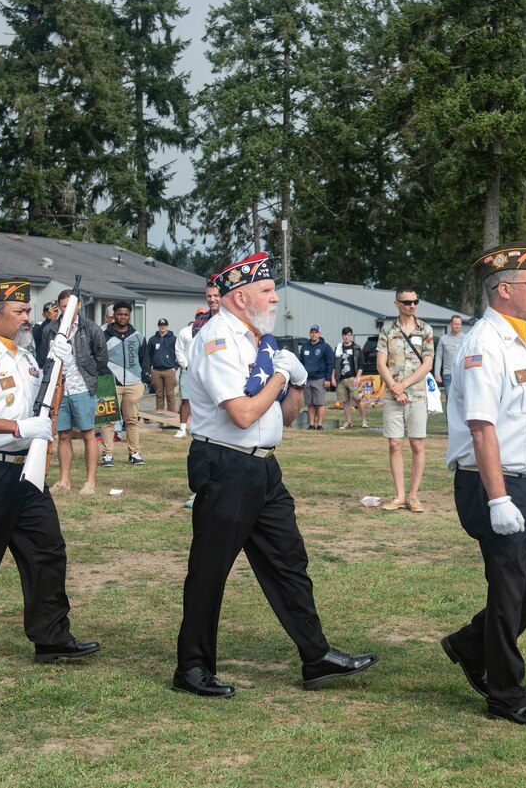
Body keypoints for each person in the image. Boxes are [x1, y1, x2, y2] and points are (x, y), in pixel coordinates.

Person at [174, 251, 377, 697]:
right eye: (266, 291)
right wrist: (279, 374)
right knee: (210, 569)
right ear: (239, 296)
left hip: (263, 466)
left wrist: (297, 384)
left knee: (289, 562)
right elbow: (243, 413)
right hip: (226, 464)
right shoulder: (218, 340)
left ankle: (315, 655)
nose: (273, 299)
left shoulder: (259, 341)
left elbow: (284, 417)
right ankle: (191, 667)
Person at [0, 279, 100, 672]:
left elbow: (46, 407)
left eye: (28, 311)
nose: (28, 317)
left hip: (23, 474)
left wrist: (59, 368)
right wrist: (16, 429)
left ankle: (51, 637)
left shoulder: (24, 357)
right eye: (20, 311)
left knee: (47, 551)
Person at [441, 241, 526, 728]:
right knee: (509, 588)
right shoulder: (484, 343)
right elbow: (482, 427)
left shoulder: (521, 339)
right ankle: (505, 693)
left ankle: (473, 645)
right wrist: (498, 498)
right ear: (504, 291)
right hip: (494, 485)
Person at [42, 289, 109, 496]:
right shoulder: (50, 329)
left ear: (78, 305)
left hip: (82, 386)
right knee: (62, 434)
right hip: (60, 388)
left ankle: (90, 482)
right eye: (62, 307)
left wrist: (82, 368)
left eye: (69, 306)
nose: (66, 311)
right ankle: (64, 480)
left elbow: (102, 359)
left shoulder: (91, 328)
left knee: (88, 433)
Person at [375, 288, 434, 512]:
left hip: (416, 394)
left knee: (417, 444)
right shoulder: (387, 329)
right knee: (394, 443)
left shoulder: (425, 329)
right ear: (396, 303)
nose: (412, 305)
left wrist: (404, 385)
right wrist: (395, 388)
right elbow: (381, 363)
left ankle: (413, 495)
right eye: (407, 302)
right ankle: (399, 495)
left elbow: (427, 365)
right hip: (393, 395)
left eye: (415, 301)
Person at [100, 301, 150, 467]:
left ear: (130, 316)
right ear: (113, 315)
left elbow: (145, 360)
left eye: (126, 314)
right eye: (119, 314)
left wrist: (144, 381)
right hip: (108, 382)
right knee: (108, 421)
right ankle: (107, 455)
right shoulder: (102, 334)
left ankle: (134, 453)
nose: (123, 317)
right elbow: (96, 357)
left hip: (133, 384)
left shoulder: (138, 336)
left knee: (132, 420)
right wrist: (101, 377)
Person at [175, 279, 220, 439]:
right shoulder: (199, 323)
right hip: (200, 371)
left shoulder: (229, 317)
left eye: (216, 295)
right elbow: (196, 349)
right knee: (196, 404)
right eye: (209, 296)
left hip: (222, 372)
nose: (212, 299)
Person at [298, 325, 334, 429]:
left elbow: (330, 364)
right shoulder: (305, 347)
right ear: (310, 333)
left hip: (320, 378)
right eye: (312, 332)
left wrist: (328, 379)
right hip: (308, 379)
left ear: (319, 334)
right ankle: (311, 424)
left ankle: (320, 424)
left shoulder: (325, 347)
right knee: (310, 403)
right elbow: (300, 363)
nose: (314, 334)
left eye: (316, 332)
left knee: (319, 403)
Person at [334, 326, 367, 429]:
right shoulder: (338, 348)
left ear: (351, 336)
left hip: (352, 378)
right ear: (342, 336)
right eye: (345, 335)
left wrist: (357, 378)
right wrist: (333, 377)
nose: (347, 337)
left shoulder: (356, 348)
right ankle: (349, 421)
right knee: (345, 401)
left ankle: (364, 421)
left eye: (348, 335)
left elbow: (361, 365)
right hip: (341, 378)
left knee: (357, 399)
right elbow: (334, 364)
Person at [149, 319, 180, 413]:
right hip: (156, 370)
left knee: (170, 394)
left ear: (167, 326)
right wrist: (150, 368)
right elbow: (148, 354)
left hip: (169, 370)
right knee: (159, 394)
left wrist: (175, 367)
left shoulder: (173, 339)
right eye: (161, 325)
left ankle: (171, 416)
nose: (162, 327)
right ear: (158, 326)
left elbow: (179, 354)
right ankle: (160, 416)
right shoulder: (152, 339)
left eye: (164, 325)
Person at [434, 314, 465, 401]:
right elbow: (439, 358)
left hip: (462, 374)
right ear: (451, 324)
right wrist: (437, 374)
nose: (457, 326)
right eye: (455, 324)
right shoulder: (443, 339)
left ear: (461, 325)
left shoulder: (466, 338)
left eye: (459, 324)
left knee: (462, 401)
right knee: (450, 401)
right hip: (448, 375)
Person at [32, 300, 59, 367]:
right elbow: (38, 334)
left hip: (57, 363)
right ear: (43, 314)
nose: (53, 313)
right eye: (48, 312)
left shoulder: (61, 326)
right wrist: (48, 319)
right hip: (43, 365)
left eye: (55, 311)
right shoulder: (38, 326)